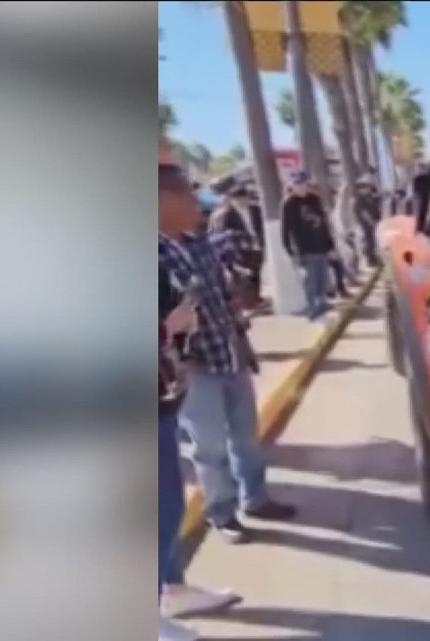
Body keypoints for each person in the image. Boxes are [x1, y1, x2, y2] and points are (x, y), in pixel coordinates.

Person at [160, 192, 297, 546]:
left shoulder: (201, 244)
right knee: (210, 448)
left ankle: (256, 498)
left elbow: (225, 297)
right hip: (193, 367)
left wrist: (243, 341)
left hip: (228, 355)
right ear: (162, 203)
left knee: (246, 437)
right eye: (187, 198)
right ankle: (222, 513)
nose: (197, 207)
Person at [159, 141, 241, 641]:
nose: (198, 205)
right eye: (189, 195)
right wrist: (169, 327)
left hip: (162, 395)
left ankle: (172, 588)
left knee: (167, 502)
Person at [282, 171, 336, 319]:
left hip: (321, 246)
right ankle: (313, 308)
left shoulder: (314, 199)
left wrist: (330, 245)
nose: (301, 187)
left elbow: (323, 224)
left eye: (303, 183)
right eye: (297, 184)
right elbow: (286, 231)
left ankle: (322, 304)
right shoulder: (289, 204)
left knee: (322, 279)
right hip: (305, 249)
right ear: (292, 185)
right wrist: (291, 251)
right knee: (310, 281)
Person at [208, 185, 265, 306]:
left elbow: (261, 225)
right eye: (237, 200)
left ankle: (257, 297)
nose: (241, 202)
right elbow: (224, 232)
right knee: (246, 275)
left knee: (257, 271)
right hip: (240, 249)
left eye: (243, 198)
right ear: (232, 200)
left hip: (257, 245)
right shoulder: (227, 214)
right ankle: (250, 301)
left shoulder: (255, 209)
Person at [354, 176, 381, 267]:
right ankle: (371, 259)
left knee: (373, 241)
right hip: (366, 225)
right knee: (369, 241)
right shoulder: (360, 199)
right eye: (366, 187)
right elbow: (364, 213)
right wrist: (371, 222)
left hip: (372, 224)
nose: (369, 189)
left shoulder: (369, 197)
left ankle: (373, 257)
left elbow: (376, 206)